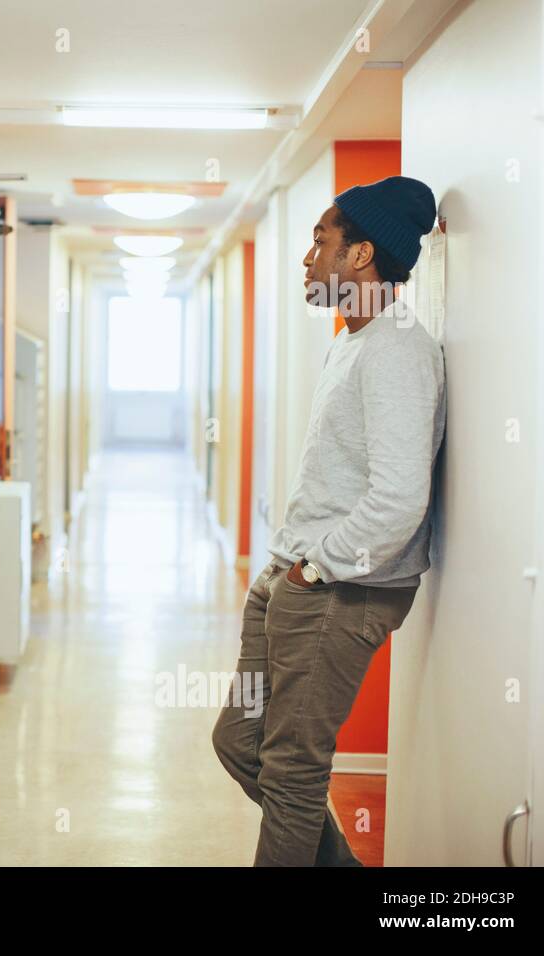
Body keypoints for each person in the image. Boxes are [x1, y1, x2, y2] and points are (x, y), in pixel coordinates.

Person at [212, 175, 446, 866]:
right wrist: (290, 566)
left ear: (361, 256)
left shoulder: (399, 351)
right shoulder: (355, 337)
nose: (308, 259)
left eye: (321, 243)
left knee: (292, 770)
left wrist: (318, 567)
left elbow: (400, 498)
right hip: (293, 575)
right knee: (237, 740)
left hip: (341, 591)